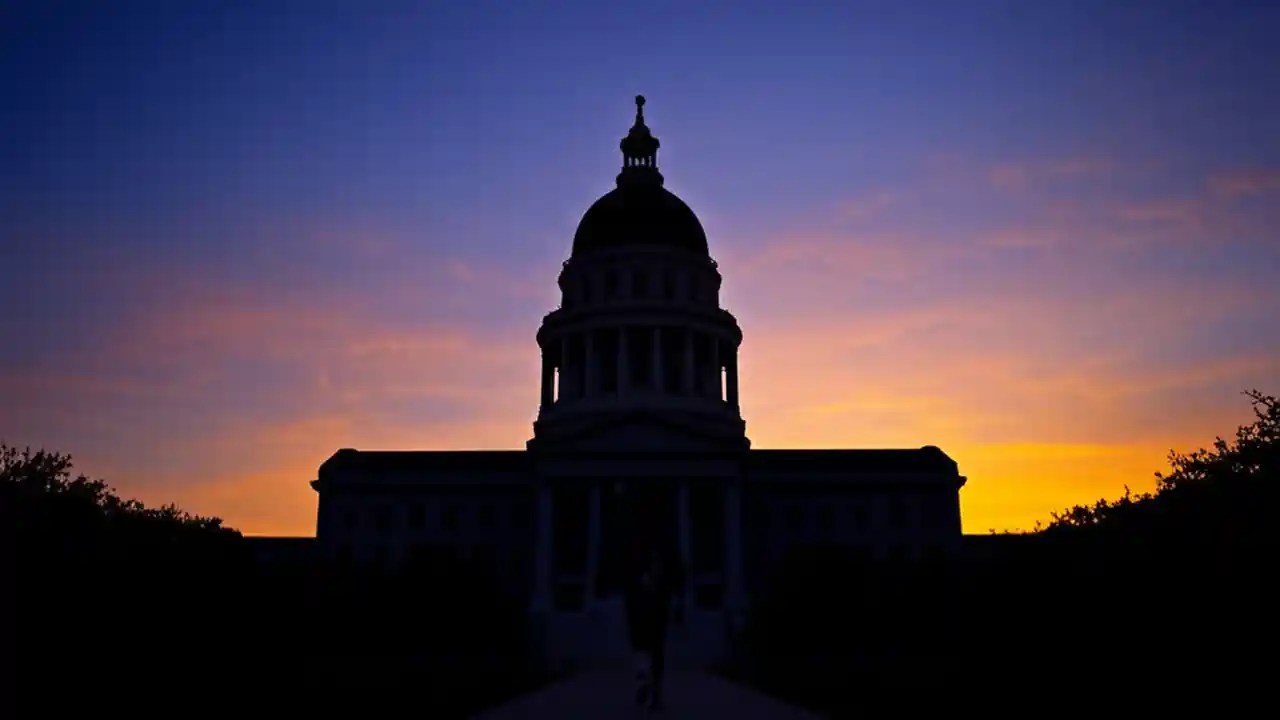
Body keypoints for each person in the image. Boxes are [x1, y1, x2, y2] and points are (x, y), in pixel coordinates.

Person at [622, 528, 685, 711]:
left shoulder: (643, 550)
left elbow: (677, 575)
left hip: (652, 606)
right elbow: (678, 575)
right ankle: (650, 687)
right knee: (651, 648)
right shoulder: (655, 550)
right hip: (650, 606)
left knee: (648, 647)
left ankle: (649, 685)